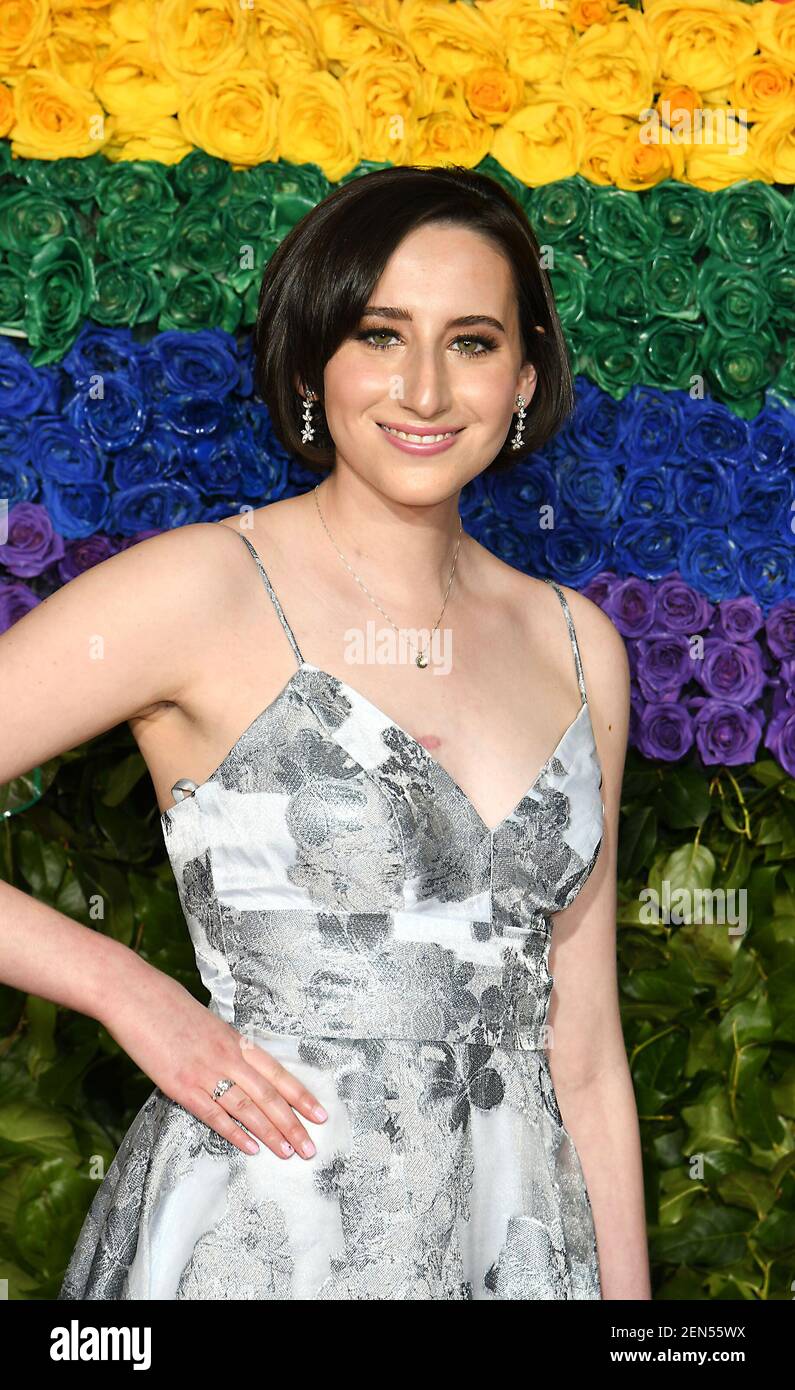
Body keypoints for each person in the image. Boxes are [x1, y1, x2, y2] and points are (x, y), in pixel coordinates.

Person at [0, 164, 649, 1300]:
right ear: (313, 364)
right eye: (380, 333)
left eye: (475, 342)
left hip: (517, 1244)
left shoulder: (578, 646)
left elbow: (585, 1058)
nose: (426, 387)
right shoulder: (204, 589)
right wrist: (124, 988)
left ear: (526, 375)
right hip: (265, 1233)